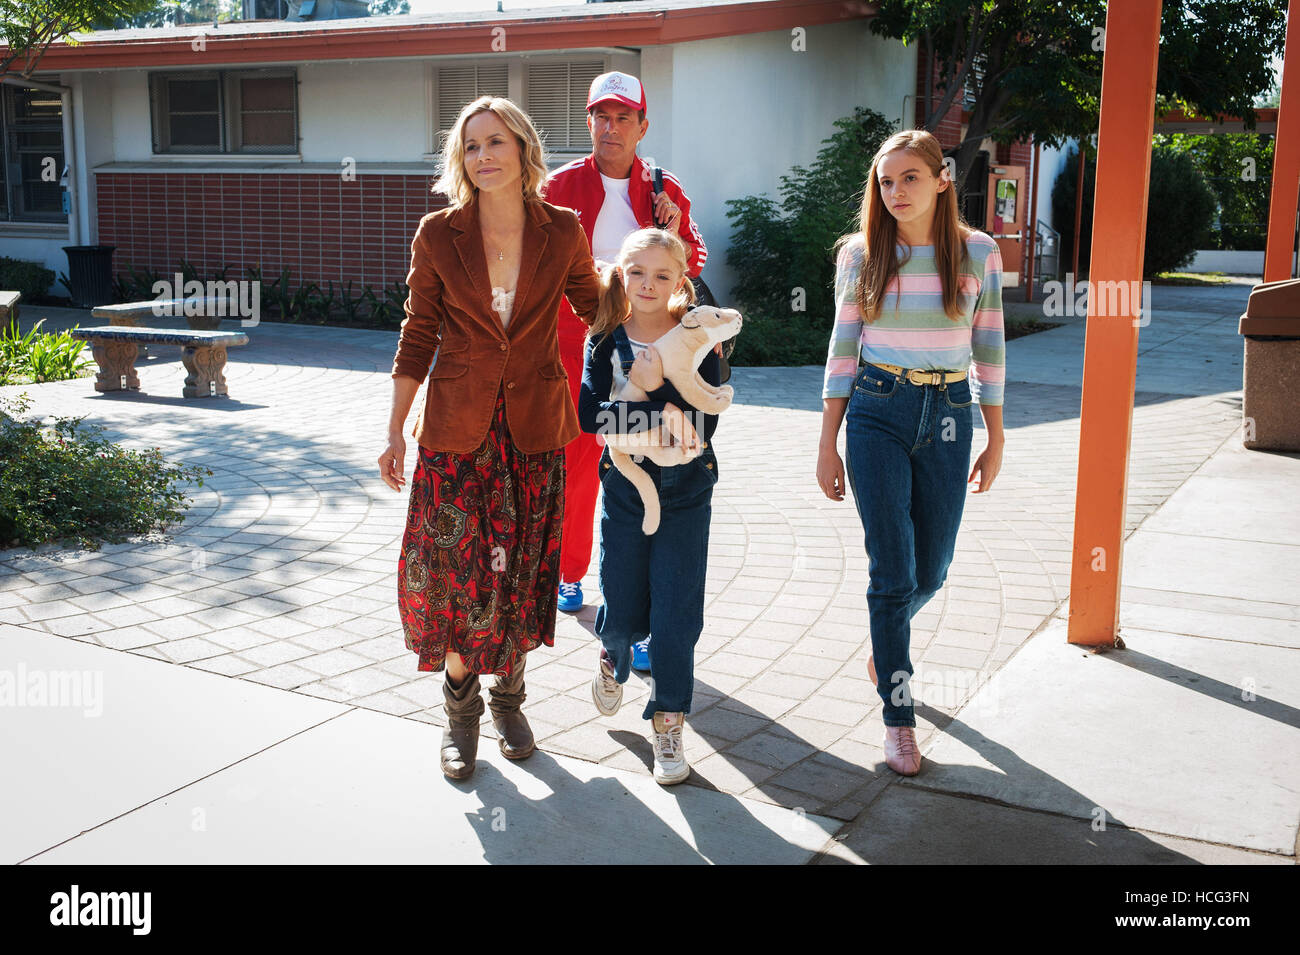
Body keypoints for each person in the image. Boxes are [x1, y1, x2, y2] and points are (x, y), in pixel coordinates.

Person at [379, 96, 601, 781]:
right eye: (472, 145)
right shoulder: (437, 234)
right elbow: (418, 333)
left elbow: (599, 308)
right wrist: (394, 427)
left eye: (496, 141)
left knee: (523, 571)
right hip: (455, 431)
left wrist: (661, 278)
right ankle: (460, 713)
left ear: (523, 149)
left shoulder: (562, 229)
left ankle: (509, 698)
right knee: (456, 578)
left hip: (534, 429)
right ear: (461, 159)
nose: (483, 155)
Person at [816, 129, 1005, 777]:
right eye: (886, 181)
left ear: (942, 180)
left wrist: (996, 434)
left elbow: (990, 348)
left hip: (950, 414)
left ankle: (884, 637)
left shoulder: (978, 253)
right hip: (876, 410)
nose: (896, 192)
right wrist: (827, 442)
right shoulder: (861, 254)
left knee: (936, 567)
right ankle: (899, 717)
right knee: (891, 572)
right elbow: (843, 350)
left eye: (910, 178)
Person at [540, 70, 709, 671]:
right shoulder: (559, 186)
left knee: (646, 466)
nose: (610, 129)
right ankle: (568, 571)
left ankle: (639, 621)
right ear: (589, 122)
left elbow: (688, 261)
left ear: (642, 126)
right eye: (600, 117)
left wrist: (673, 221)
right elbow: (538, 266)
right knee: (583, 461)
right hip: (579, 347)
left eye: (622, 118)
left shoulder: (663, 188)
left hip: (652, 351)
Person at [578, 227, 723, 786]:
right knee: (623, 603)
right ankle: (613, 658)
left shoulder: (699, 343)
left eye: (662, 275)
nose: (648, 283)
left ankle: (669, 720)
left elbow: (701, 430)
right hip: (624, 488)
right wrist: (661, 417)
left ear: (680, 281)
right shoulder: (605, 342)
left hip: (687, 492)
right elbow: (591, 420)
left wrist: (653, 396)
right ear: (621, 275)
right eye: (637, 272)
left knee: (676, 613)